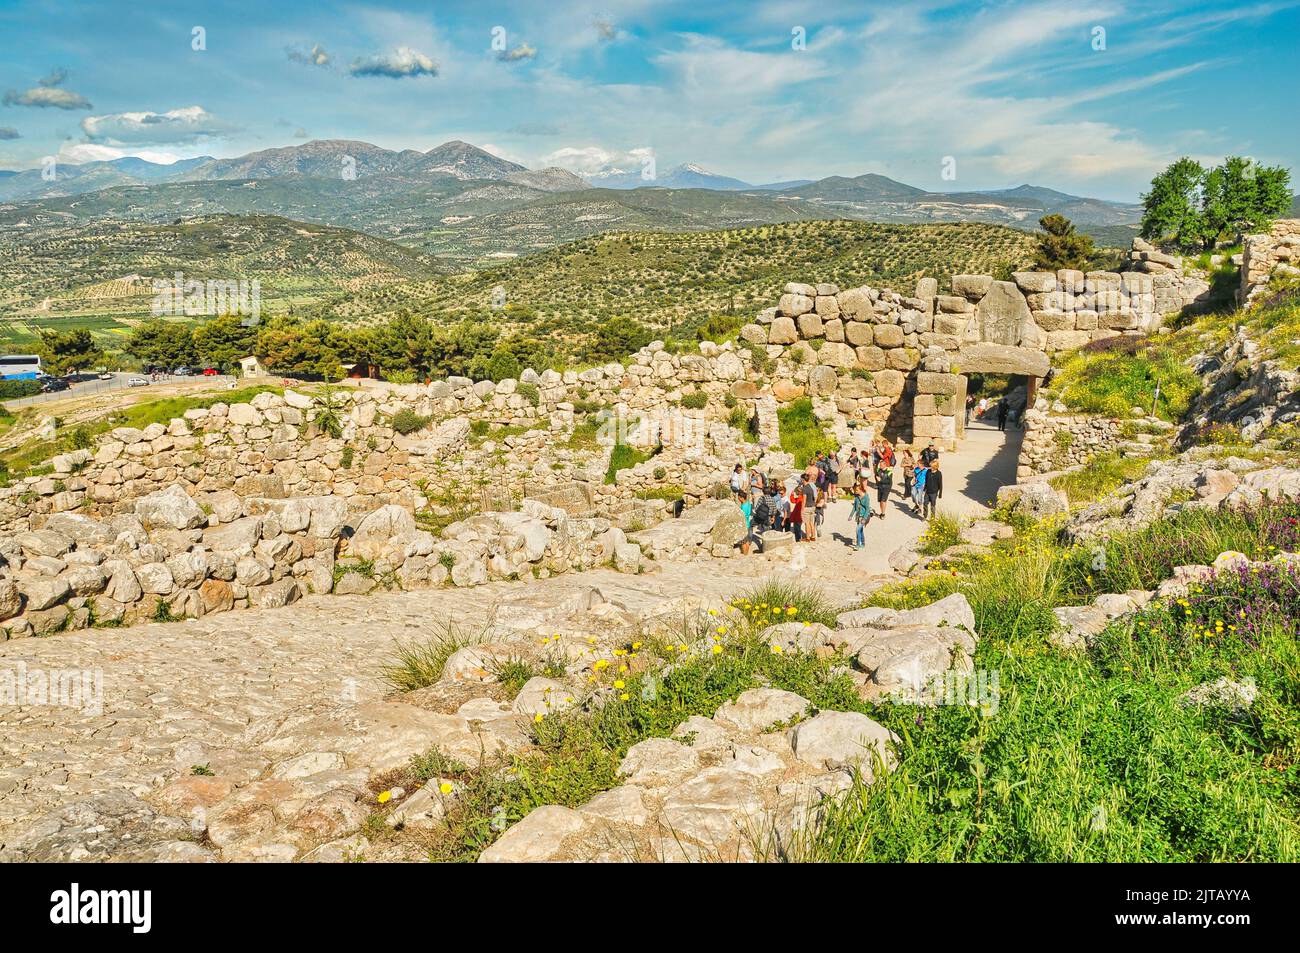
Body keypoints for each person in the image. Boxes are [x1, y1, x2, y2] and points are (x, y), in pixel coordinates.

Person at [874, 444, 895, 518]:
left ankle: (883, 513)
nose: (880, 466)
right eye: (880, 465)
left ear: (885, 465)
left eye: (881, 465)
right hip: (880, 487)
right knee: (880, 501)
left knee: (883, 501)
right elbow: (876, 475)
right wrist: (877, 480)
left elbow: (889, 482)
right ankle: (882, 512)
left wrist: (881, 480)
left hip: (886, 487)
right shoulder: (878, 470)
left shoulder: (889, 471)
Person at [850, 485, 873, 549]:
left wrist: (864, 518)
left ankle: (858, 545)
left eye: (857, 490)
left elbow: (867, 509)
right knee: (860, 530)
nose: (855, 491)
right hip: (858, 516)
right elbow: (854, 507)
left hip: (864, 517)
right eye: (855, 490)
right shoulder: (857, 497)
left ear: (861, 490)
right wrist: (851, 515)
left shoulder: (866, 498)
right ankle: (863, 543)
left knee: (857, 530)